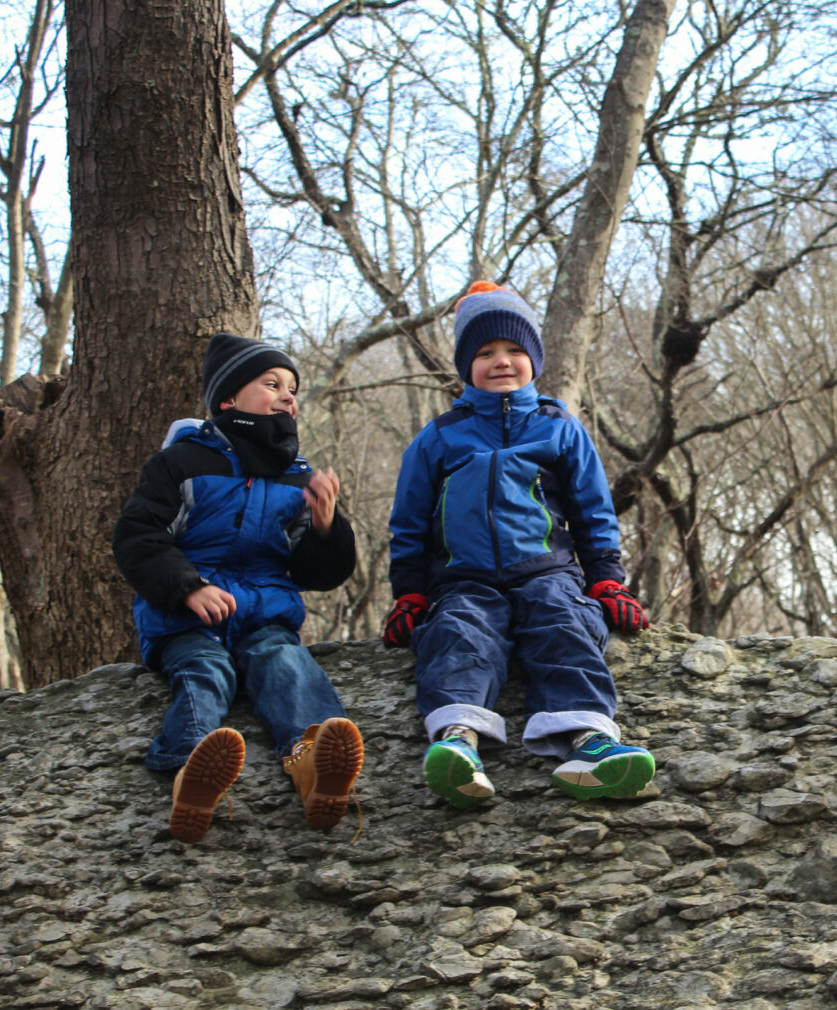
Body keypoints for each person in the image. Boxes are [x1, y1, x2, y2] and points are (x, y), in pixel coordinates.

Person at [383, 280, 655, 808]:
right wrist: (410, 593)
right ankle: (458, 743)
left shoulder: (558, 428)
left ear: (534, 358)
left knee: (564, 624)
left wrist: (606, 580)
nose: (501, 361)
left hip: (547, 569)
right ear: (466, 366)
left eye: (513, 350)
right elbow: (409, 523)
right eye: (485, 353)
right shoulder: (440, 437)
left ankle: (589, 742)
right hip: (464, 576)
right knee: (459, 633)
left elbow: (593, 511)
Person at [113, 334, 365, 843]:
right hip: (187, 618)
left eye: (293, 389)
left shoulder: (297, 477)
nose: (288, 397)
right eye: (271, 384)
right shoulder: (181, 462)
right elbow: (138, 537)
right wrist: (188, 588)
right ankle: (192, 767)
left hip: (264, 615)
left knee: (285, 661)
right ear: (228, 400)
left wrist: (324, 525)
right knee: (205, 671)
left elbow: (318, 574)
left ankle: (312, 761)